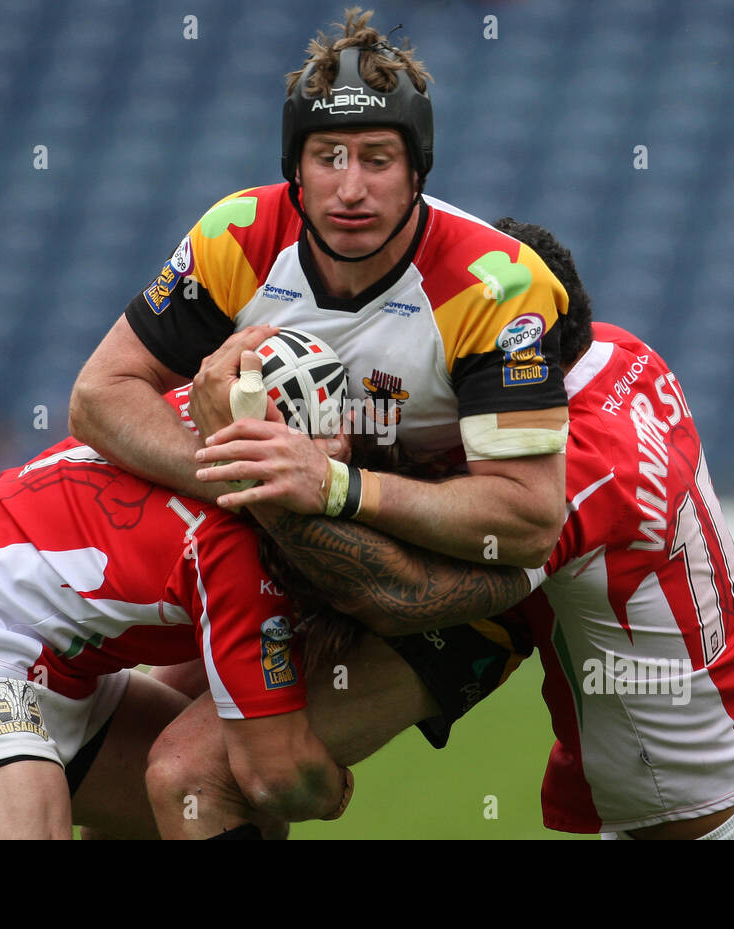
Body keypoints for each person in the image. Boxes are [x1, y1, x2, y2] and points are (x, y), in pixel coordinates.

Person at [146, 219, 734, 840]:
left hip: (733, 813)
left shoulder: (572, 470)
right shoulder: (622, 354)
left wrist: (279, 483)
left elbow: (400, 592)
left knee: (202, 765)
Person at [69, 9, 571, 573]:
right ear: (296, 170)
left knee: (367, 649)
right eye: (327, 158)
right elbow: (98, 395)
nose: (351, 189)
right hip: (303, 517)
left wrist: (334, 489)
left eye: (378, 160)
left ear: (417, 171)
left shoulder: (496, 286)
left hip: (439, 540)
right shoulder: (235, 236)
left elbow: (531, 523)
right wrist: (243, 480)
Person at [0, 391, 352, 840]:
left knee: (224, 804)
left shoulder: (161, 414)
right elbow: (278, 772)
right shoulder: (238, 553)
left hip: (59, 673)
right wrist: (333, 789)